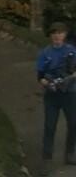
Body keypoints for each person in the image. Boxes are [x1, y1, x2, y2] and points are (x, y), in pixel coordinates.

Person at [40, 22, 76, 168]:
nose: (57, 36)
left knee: (74, 125)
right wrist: (47, 83)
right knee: (50, 127)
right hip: (52, 96)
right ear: (50, 36)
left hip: (70, 94)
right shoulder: (45, 53)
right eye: (54, 33)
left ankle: (70, 154)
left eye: (60, 33)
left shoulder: (72, 51)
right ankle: (46, 160)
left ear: (65, 35)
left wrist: (71, 78)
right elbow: (40, 76)